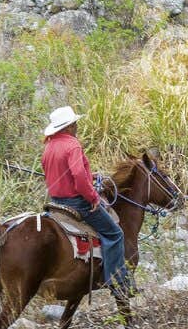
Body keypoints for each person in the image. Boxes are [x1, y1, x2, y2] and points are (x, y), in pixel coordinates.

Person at [41, 106, 133, 296]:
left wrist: (90, 176)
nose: (77, 126)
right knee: (115, 233)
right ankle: (117, 282)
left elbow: (62, 174)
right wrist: (93, 197)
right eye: (74, 123)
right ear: (68, 127)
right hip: (76, 203)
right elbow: (78, 177)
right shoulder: (72, 145)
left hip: (56, 202)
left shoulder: (49, 146)